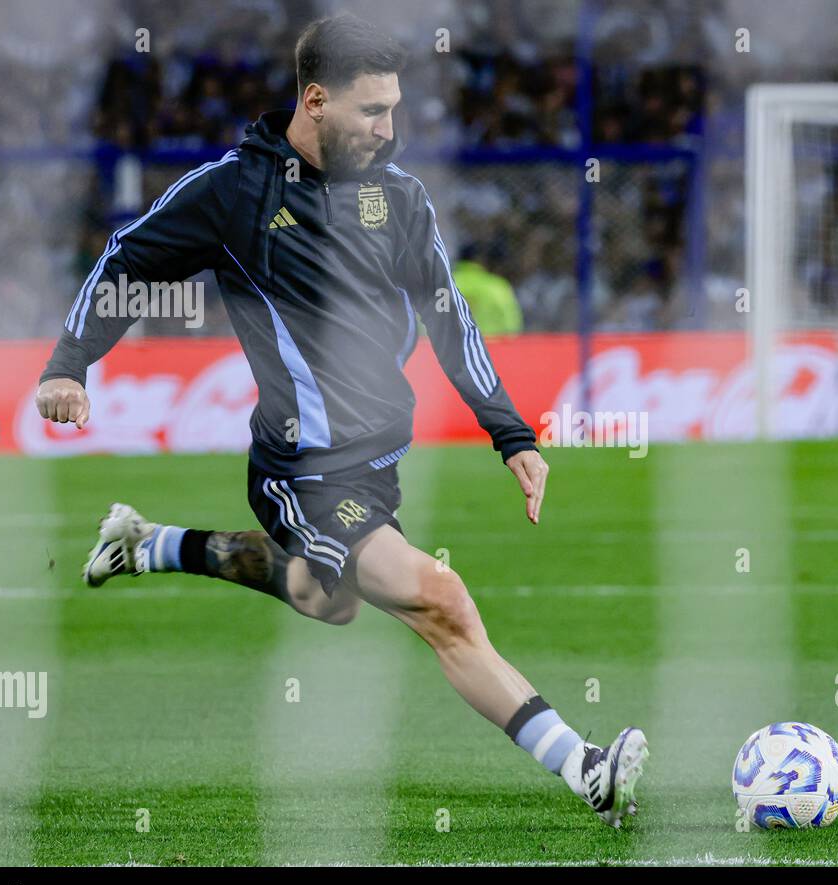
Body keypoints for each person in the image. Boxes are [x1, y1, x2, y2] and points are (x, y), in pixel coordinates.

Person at [33, 13, 646, 827]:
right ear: (315, 101)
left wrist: (511, 433)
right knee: (441, 597)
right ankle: (585, 767)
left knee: (328, 600)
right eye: (371, 111)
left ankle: (152, 544)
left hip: (376, 463)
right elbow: (126, 261)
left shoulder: (395, 196)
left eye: (394, 108)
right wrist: (68, 367)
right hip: (304, 470)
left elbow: (447, 313)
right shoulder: (234, 192)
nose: (388, 129)